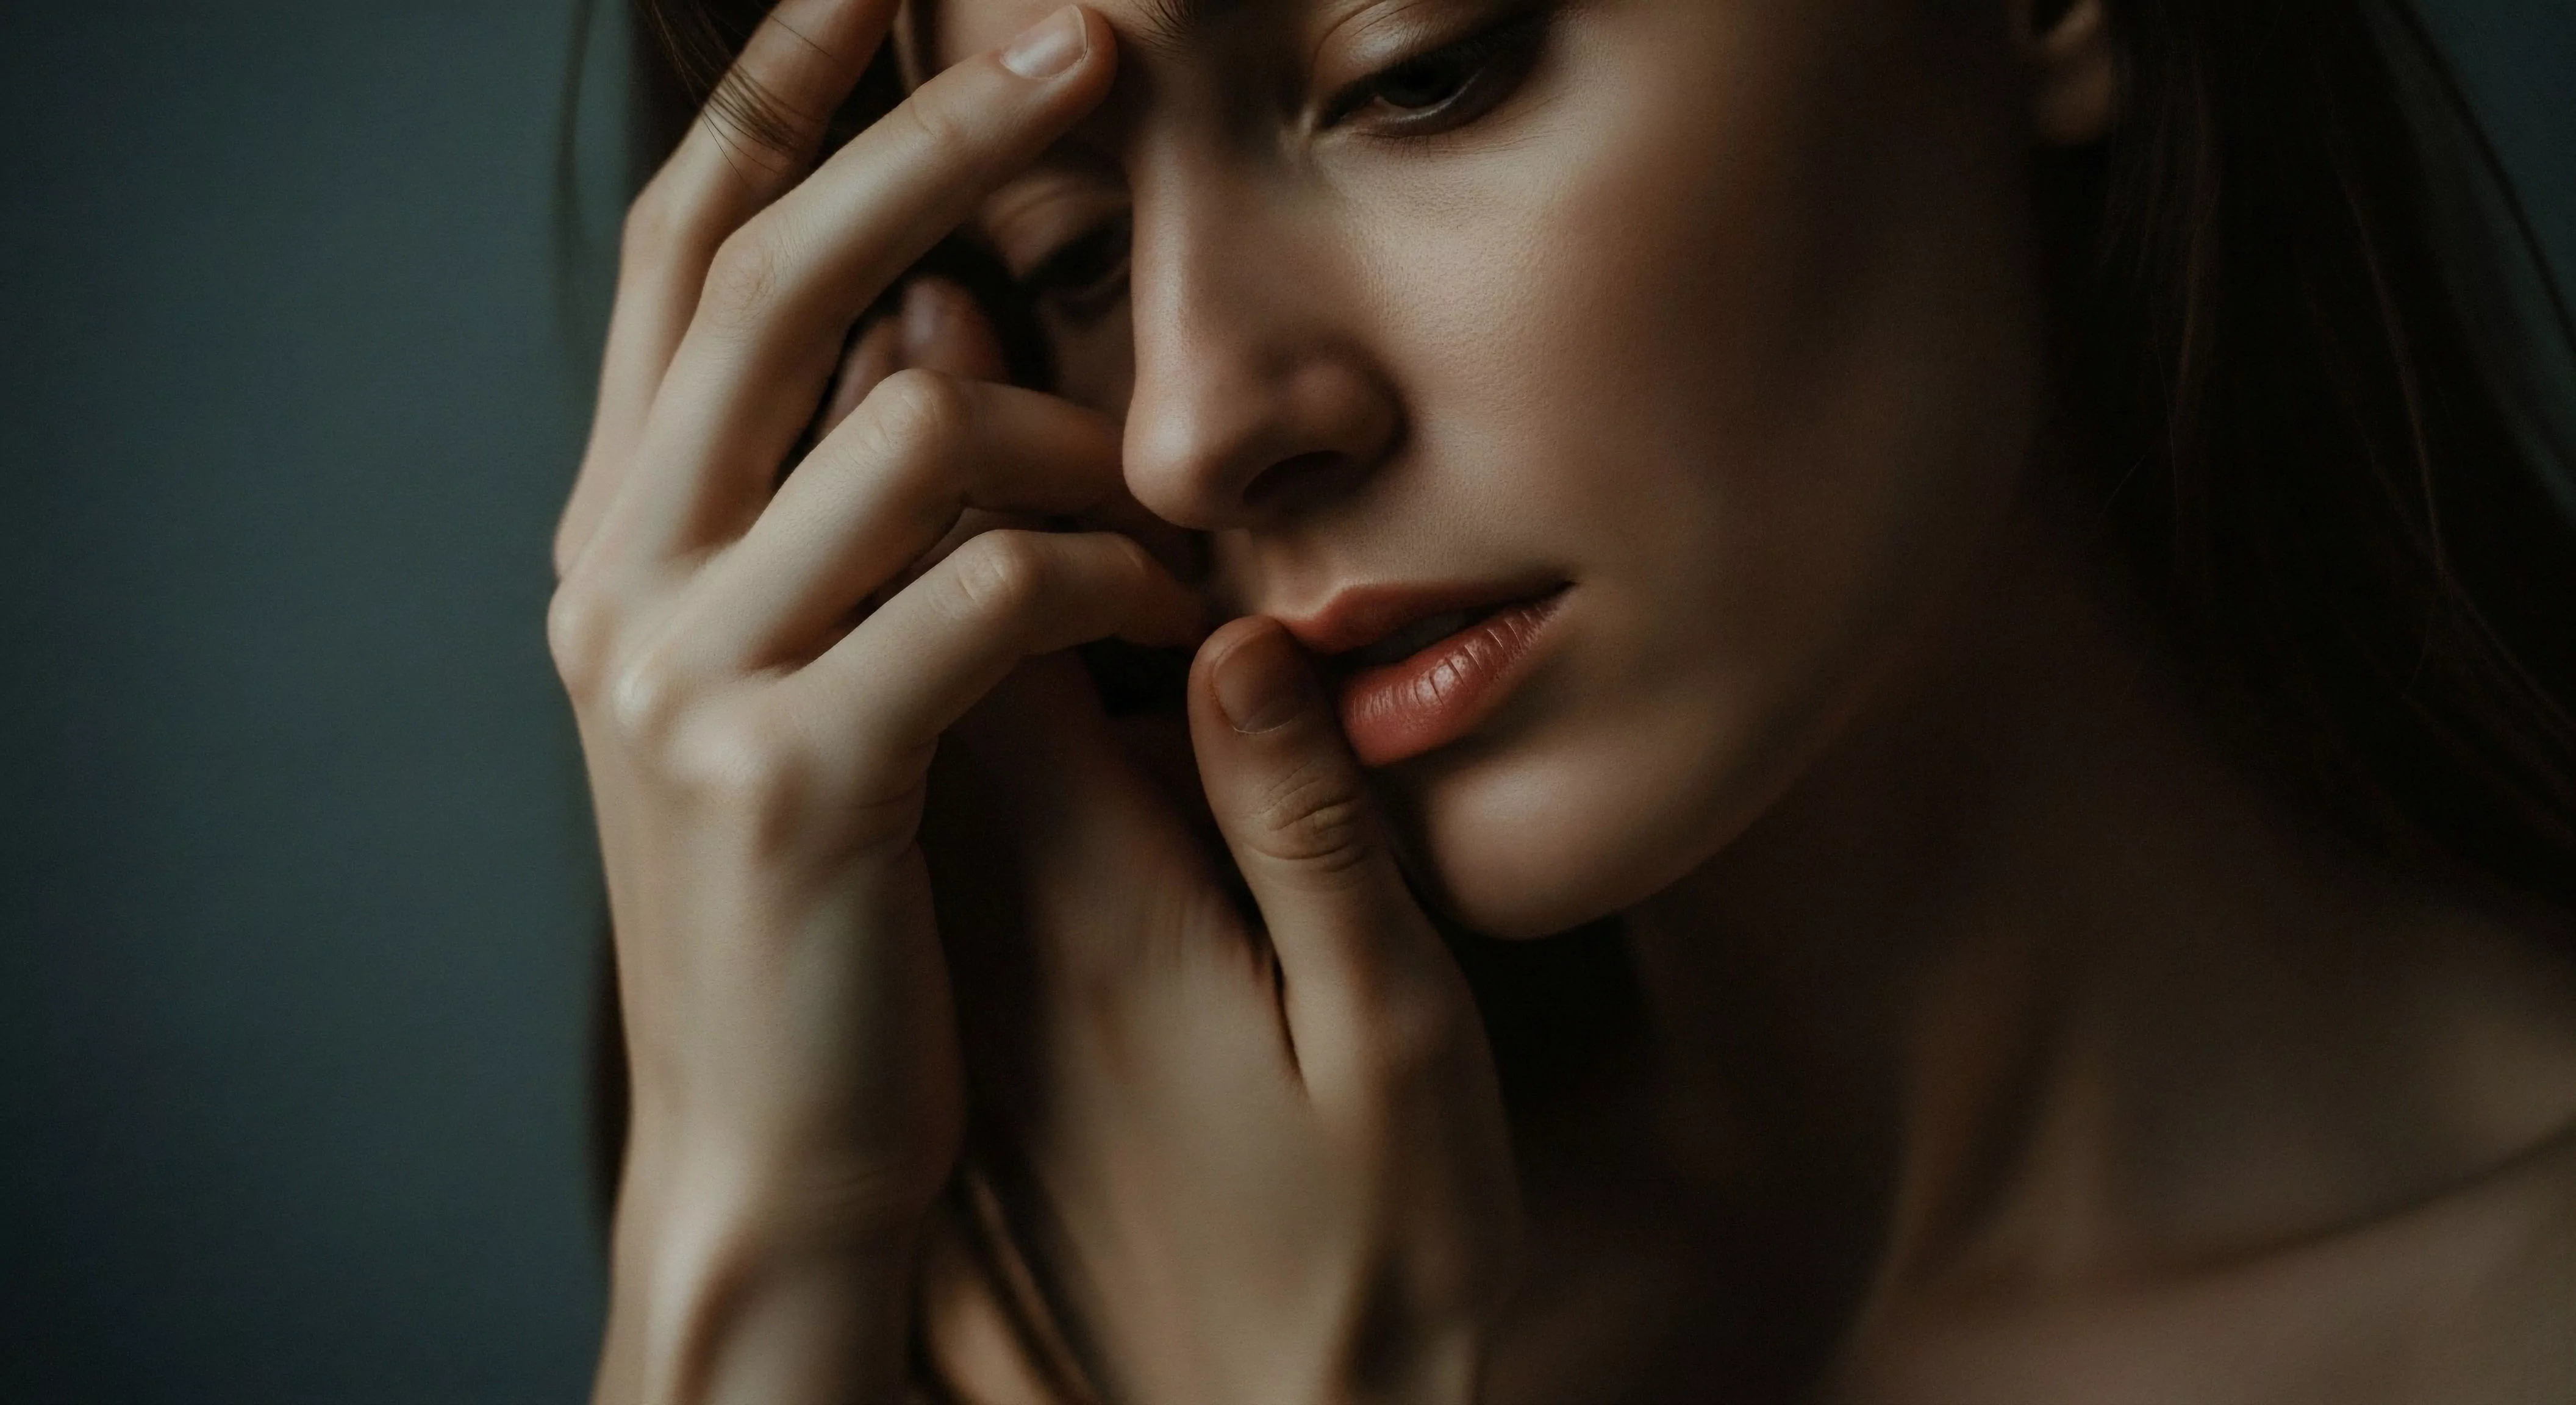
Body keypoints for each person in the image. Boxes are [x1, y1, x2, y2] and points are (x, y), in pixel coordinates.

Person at [547, 0, 2576, 1398]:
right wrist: (742, 1250)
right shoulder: (1042, 1315)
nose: (1190, 423)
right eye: (1069, 255)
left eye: (1420, 71)